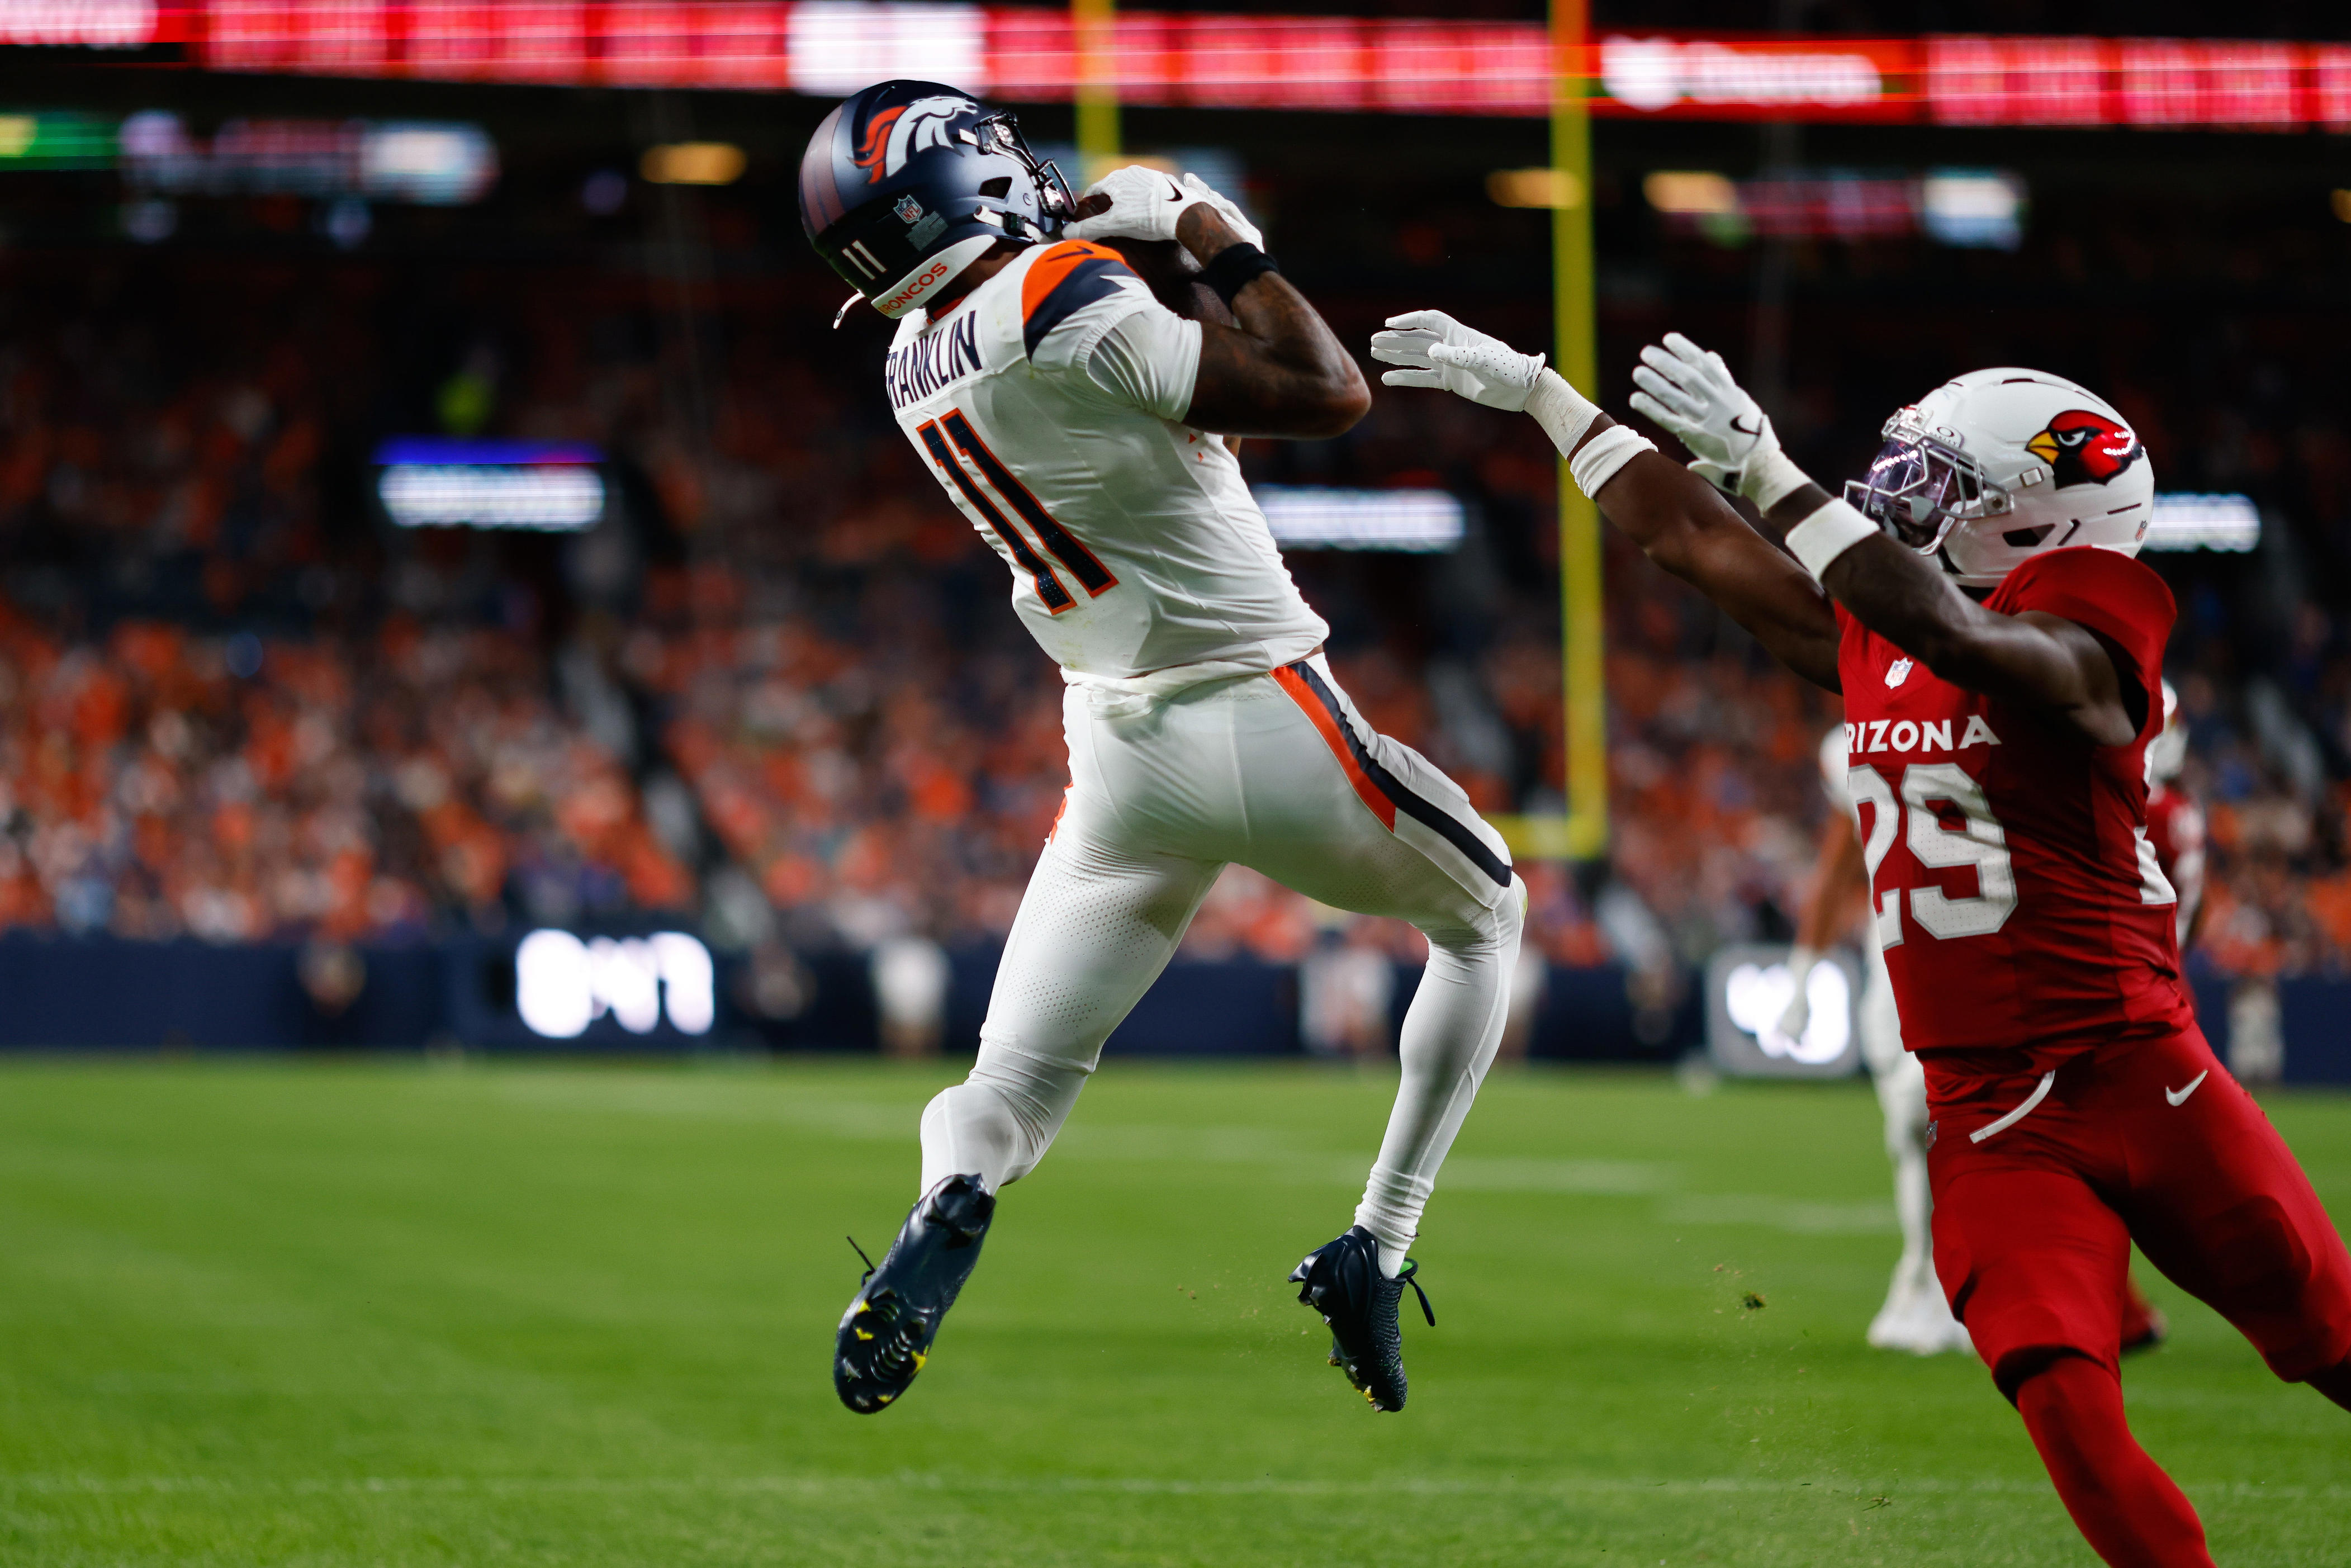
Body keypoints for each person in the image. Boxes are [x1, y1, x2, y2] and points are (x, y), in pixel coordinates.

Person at [1369, 313, 2351, 1567]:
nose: (1901, 497)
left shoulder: (2095, 632)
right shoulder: (1883, 626)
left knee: (2333, 1344)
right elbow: (1689, 542)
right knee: (2066, 1405)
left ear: (2041, 522)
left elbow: (1968, 641)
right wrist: (1543, 396)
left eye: (1947, 486)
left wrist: (1771, 475)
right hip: (1992, 1116)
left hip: (2139, 1076)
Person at [800, 83, 1523, 1418]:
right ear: (956, 191)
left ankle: (947, 1198)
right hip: (1259, 708)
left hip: (1116, 755)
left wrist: (1144, 274)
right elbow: (1327, 389)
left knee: (1006, 1087)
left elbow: (1184, 438)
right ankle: (1378, 1236)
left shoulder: (910, 358)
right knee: (1488, 910)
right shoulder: (1060, 291)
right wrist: (1212, 229)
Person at [1784, 725, 2167, 1358]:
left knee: (1953, 1124)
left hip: (1986, 964)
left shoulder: (1993, 713)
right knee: (1911, 1134)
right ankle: (1926, 1282)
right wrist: (1801, 974)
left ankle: (1980, 1286)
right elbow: (1838, 865)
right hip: (1897, 970)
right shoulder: (1853, 742)